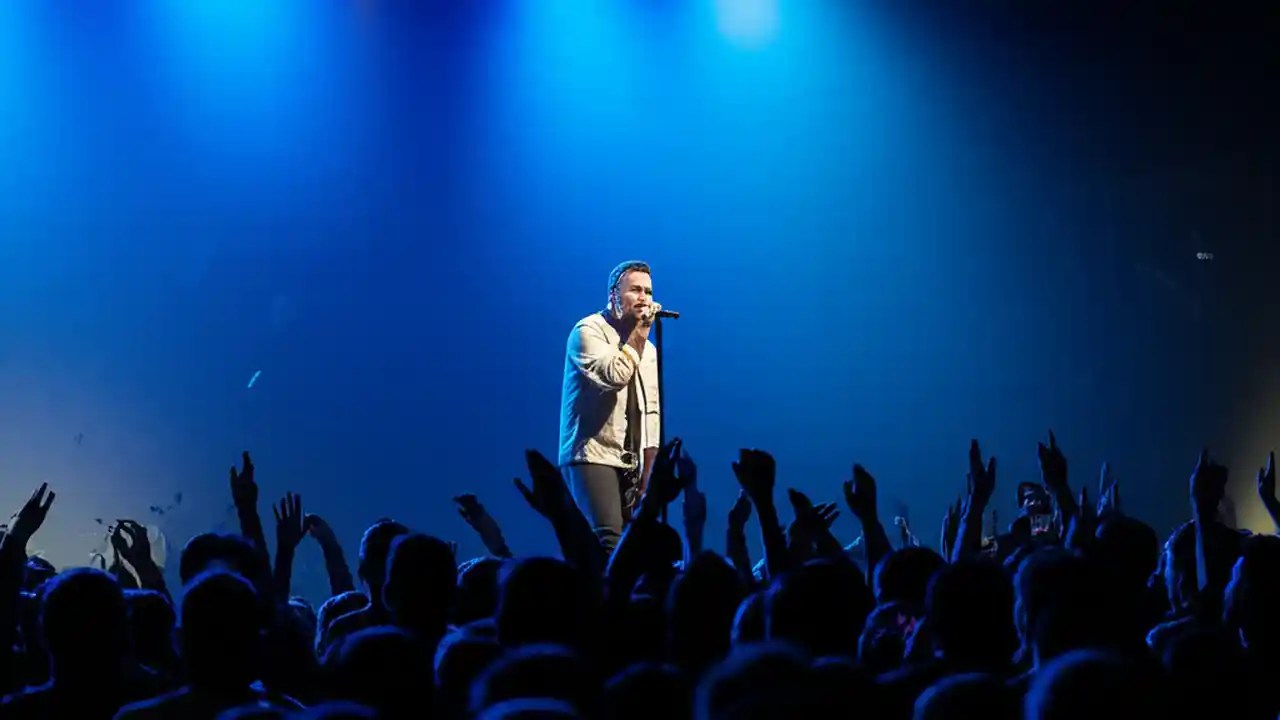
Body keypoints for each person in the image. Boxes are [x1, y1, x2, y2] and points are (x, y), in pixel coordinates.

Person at [558, 260, 663, 551]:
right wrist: (640, 334)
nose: (644, 298)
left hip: (632, 460)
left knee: (636, 546)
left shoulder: (649, 351)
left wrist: (650, 475)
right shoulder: (587, 332)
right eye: (635, 290)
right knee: (608, 539)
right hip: (593, 453)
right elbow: (614, 376)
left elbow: (651, 412)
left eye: (649, 292)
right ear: (614, 296)